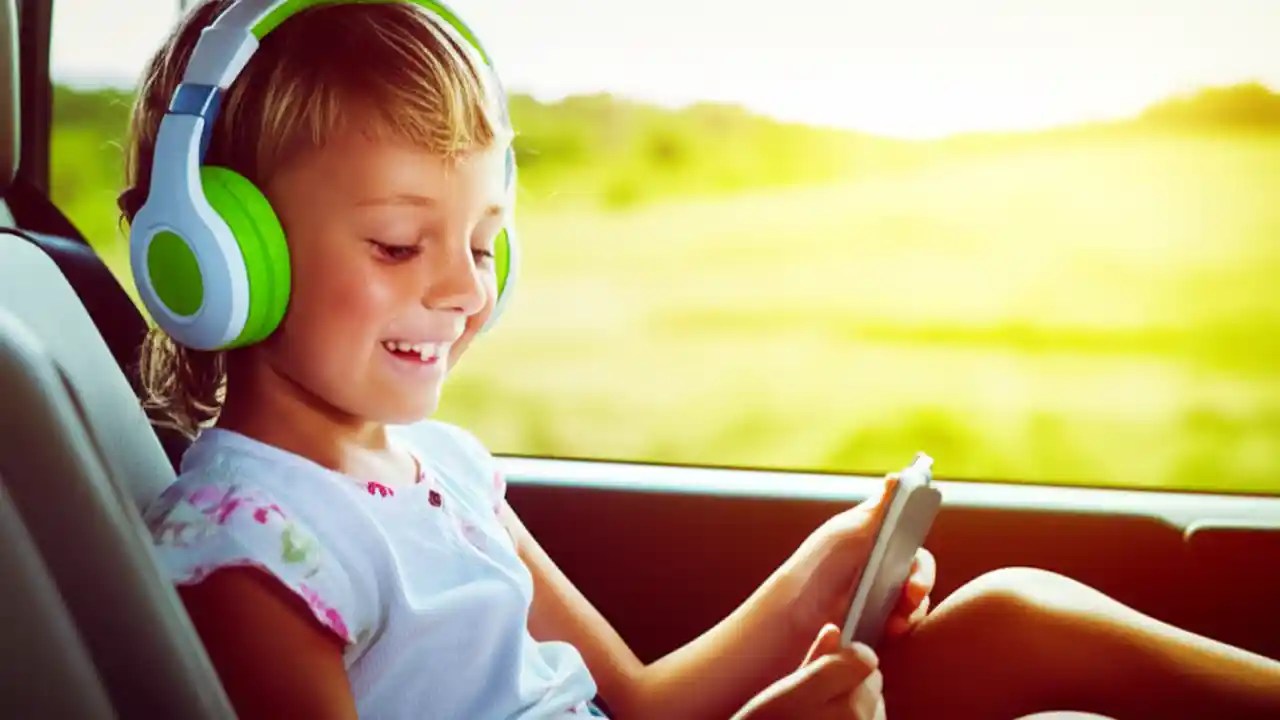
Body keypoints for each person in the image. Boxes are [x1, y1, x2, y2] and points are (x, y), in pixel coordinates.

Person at [121, 2, 1280, 718]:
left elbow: (634, 701)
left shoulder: (445, 468)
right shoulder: (254, 557)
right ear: (223, 256)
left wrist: (805, 592)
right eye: (396, 242)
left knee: (1012, 616)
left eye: (482, 241)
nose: (464, 288)